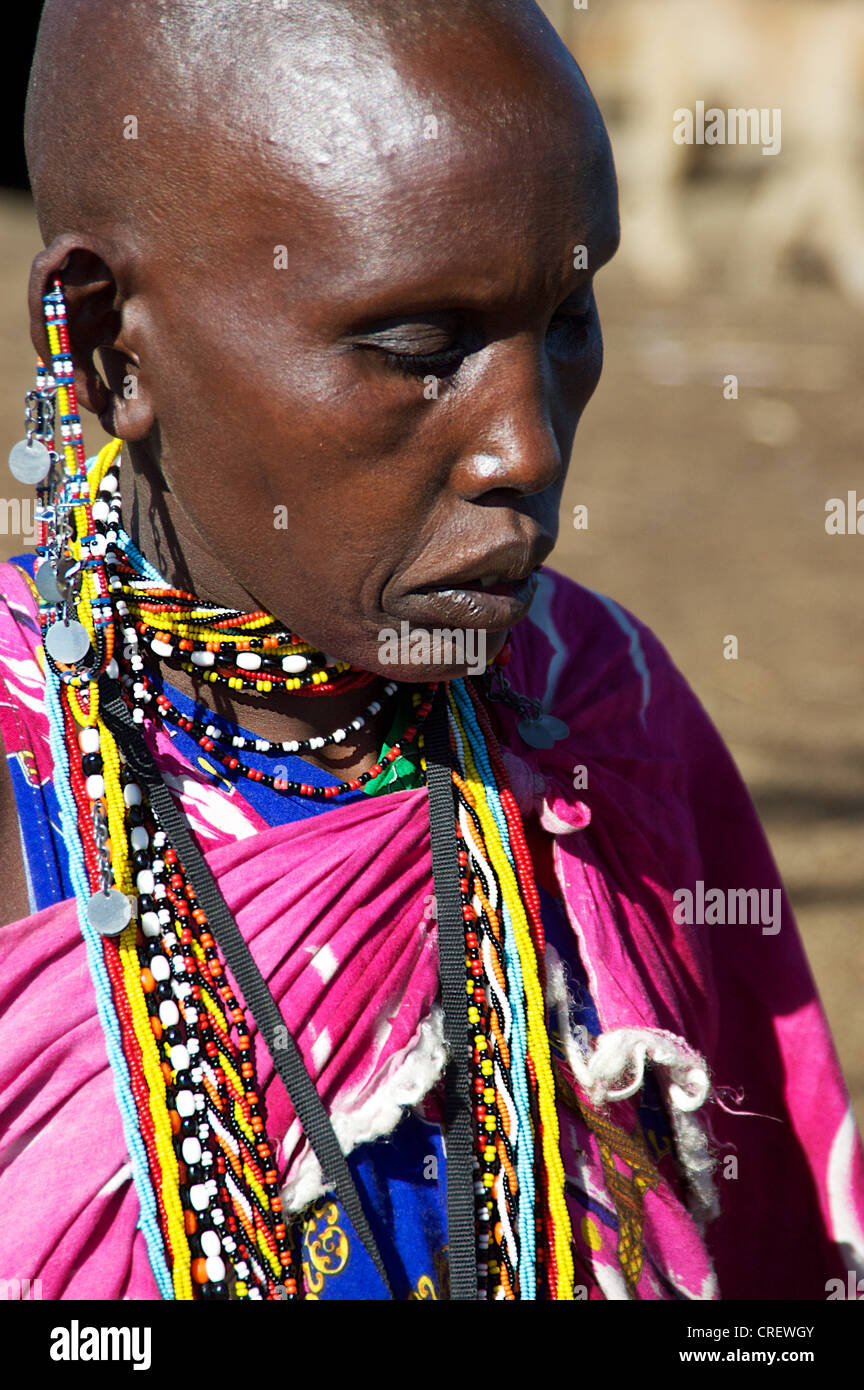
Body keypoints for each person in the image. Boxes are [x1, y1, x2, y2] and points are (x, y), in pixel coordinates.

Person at [1, 0, 862, 1302]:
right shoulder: (25, 797)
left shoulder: (604, 721)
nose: (525, 448)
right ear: (108, 341)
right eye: (420, 346)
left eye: (569, 316)